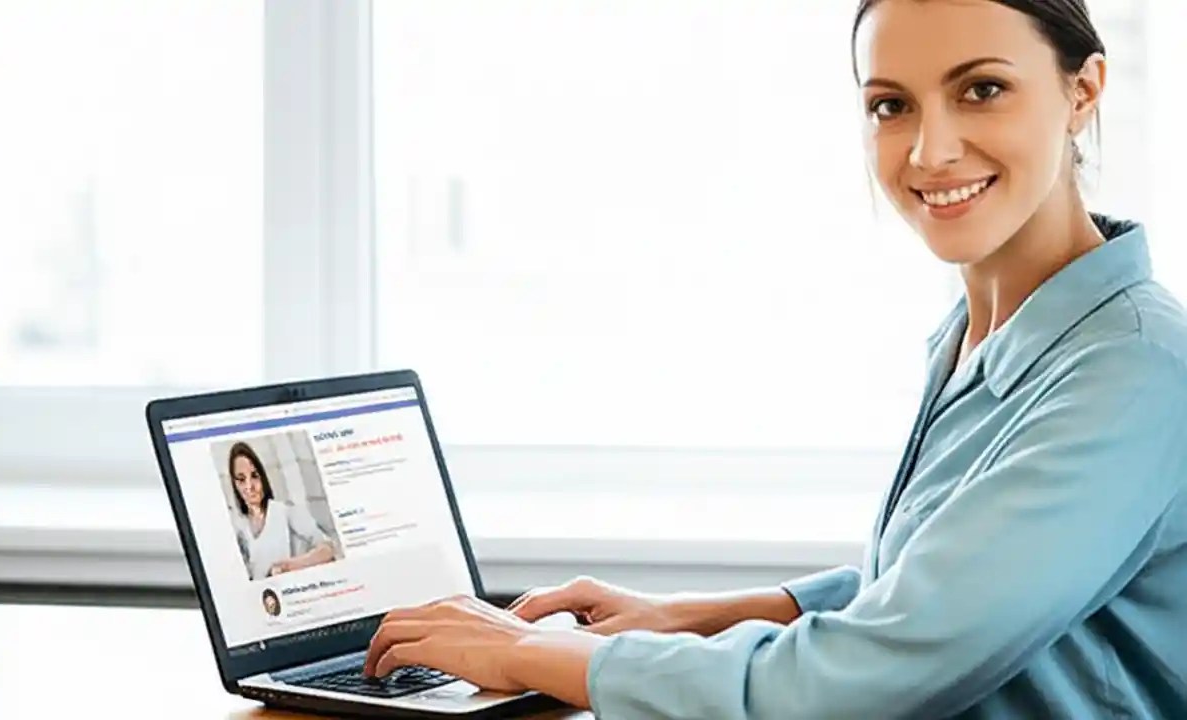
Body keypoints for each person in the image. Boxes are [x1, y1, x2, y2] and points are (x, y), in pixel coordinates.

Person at [359, 1, 1187, 717]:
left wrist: (524, 653)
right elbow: (940, 592)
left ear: (1083, 91)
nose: (930, 151)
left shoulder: (1133, 374)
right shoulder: (987, 338)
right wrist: (692, 616)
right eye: (892, 105)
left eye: (982, 90)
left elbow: (865, 677)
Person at [227, 440, 344, 581]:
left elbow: (327, 549)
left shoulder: (284, 512)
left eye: (254, 476)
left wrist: (288, 566)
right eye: (241, 480)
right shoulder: (238, 526)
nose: (249, 486)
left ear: (262, 477)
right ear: (235, 484)